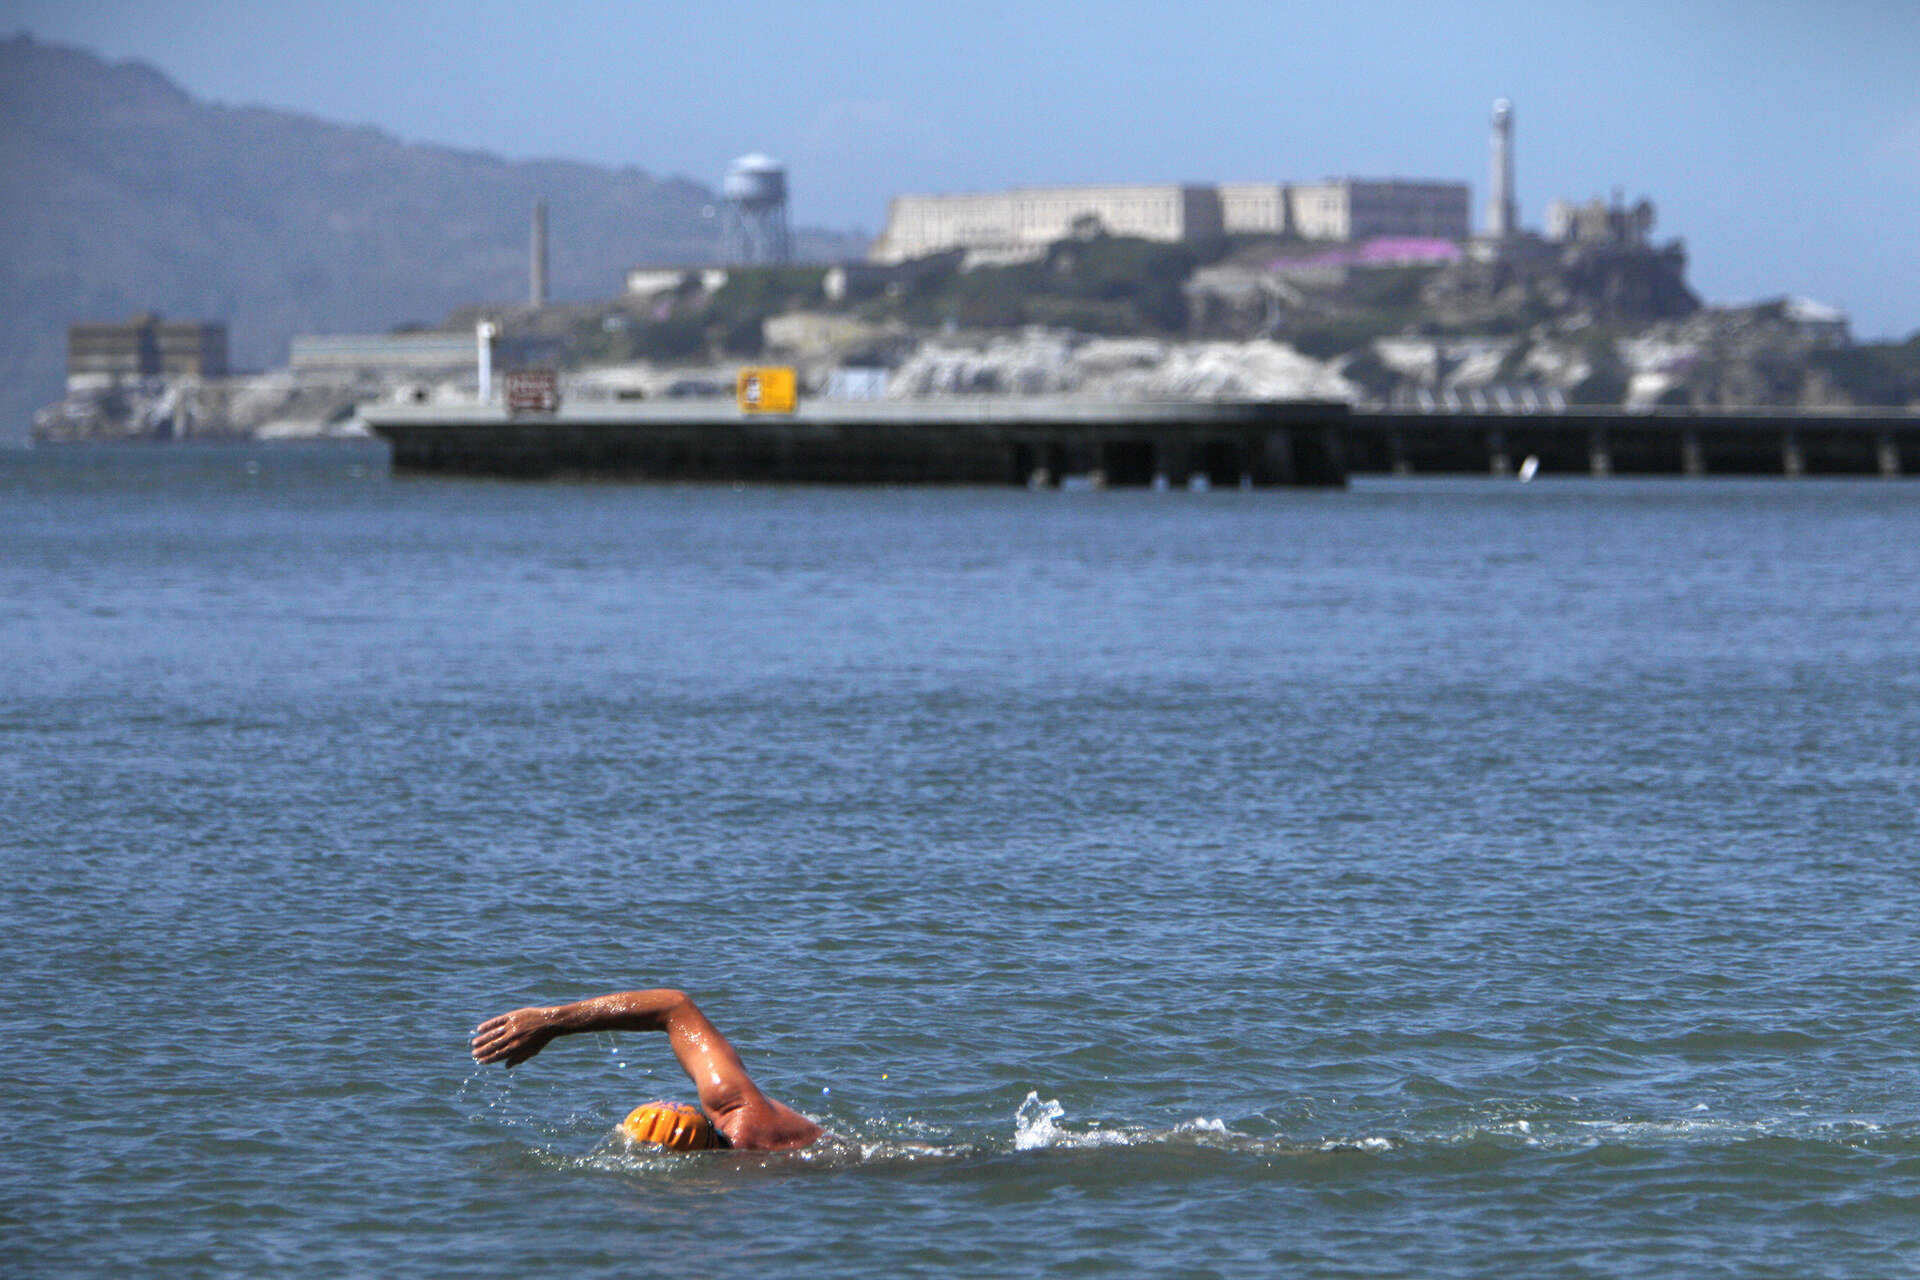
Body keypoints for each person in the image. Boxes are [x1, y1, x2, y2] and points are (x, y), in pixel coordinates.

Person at [470, 987, 824, 1152]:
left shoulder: (744, 1117)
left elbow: (674, 1005)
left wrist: (554, 1020)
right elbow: (675, 1006)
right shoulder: (736, 1107)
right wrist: (552, 1022)